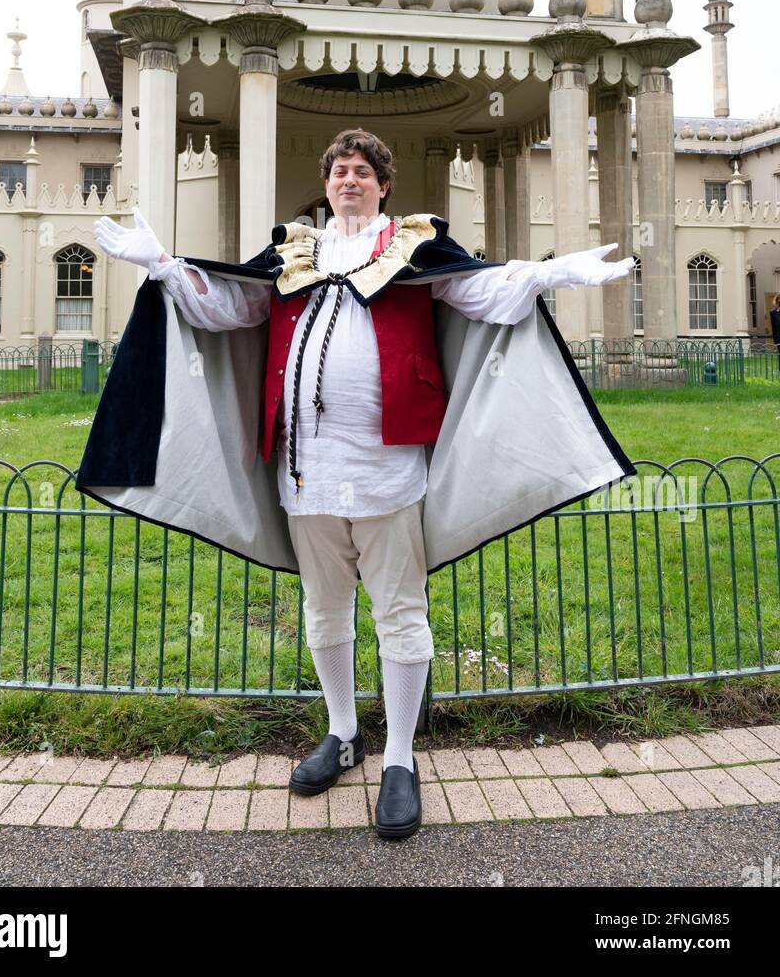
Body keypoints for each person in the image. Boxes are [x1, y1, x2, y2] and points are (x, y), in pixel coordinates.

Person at [79, 127, 636, 840]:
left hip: (387, 475)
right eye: (339, 170)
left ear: (382, 185)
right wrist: (160, 262)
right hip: (303, 476)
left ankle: (399, 759)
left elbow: (481, 289)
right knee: (324, 611)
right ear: (327, 183)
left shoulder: (412, 249)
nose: (349, 180)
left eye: (363, 171)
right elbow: (223, 307)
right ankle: (343, 735)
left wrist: (553, 273)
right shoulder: (291, 254)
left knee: (400, 614)